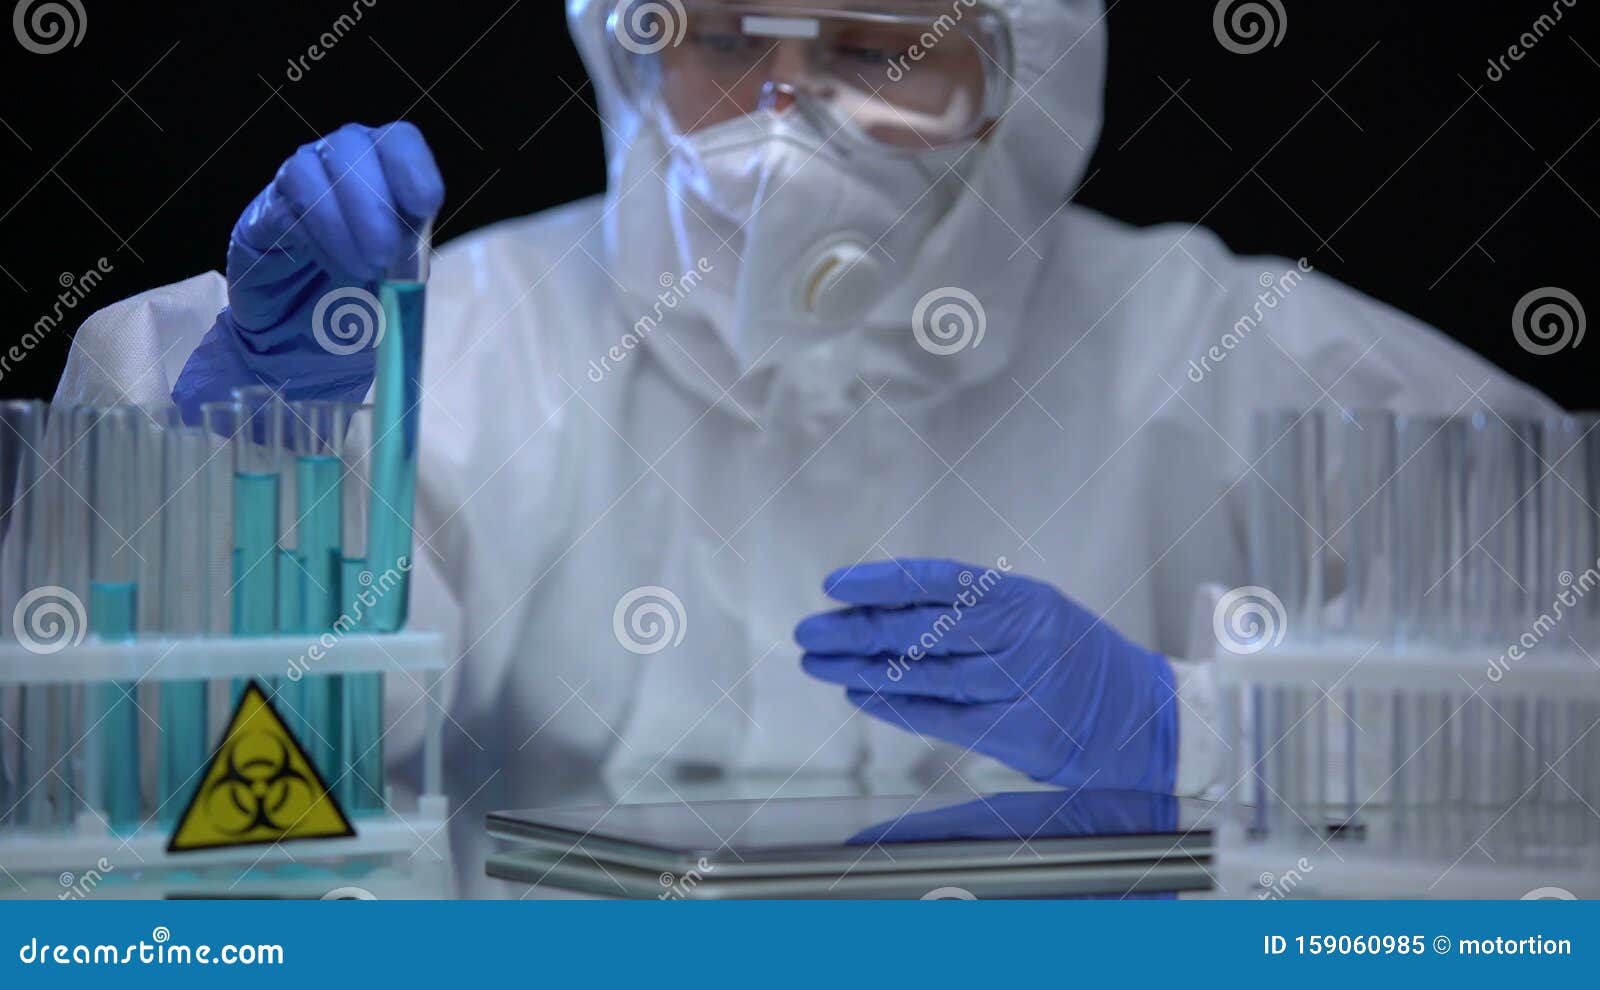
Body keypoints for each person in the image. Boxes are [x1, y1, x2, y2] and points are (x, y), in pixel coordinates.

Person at [57, 0, 1548, 830]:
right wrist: (262, 455)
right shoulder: (470, 340)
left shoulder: (1223, 348)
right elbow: (202, 801)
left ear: (1017, 72)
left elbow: (1551, 724)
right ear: (635, 49)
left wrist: (1200, 733)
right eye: (725, 44)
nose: (786, 118)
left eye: (868, 50)